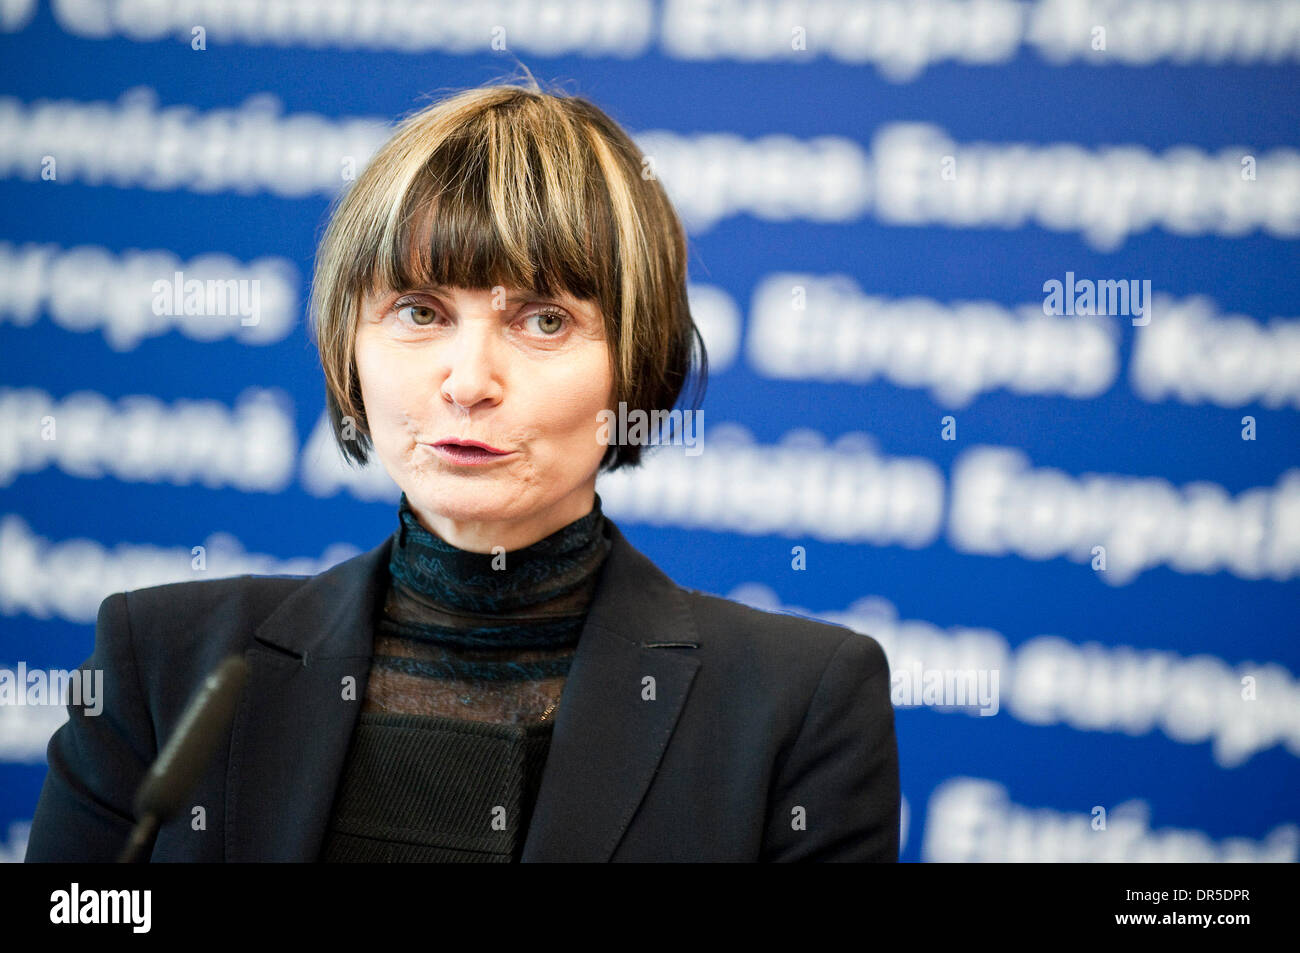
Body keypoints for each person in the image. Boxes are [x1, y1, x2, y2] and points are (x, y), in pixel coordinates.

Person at [25, 75, 899, 862]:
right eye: (418, 310)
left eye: (544, 321)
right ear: (346, 346)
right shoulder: (163, 662)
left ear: (638, 363)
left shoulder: (797, 704)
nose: (470, 382)